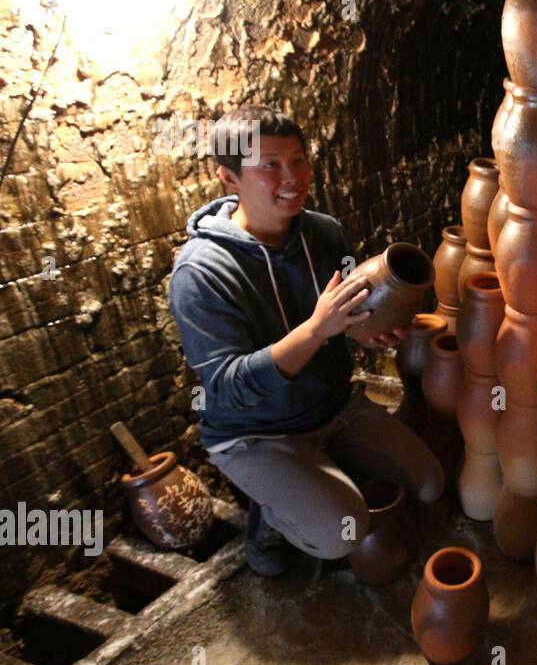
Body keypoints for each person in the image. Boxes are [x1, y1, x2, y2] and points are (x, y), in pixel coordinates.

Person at [167, 106, 443, 576]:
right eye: (270, 166)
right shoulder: (200, 272)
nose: (291, 177)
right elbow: (229, 386)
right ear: (229, 179)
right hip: (255, 433)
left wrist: (374, 334)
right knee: (343, 535)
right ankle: (269, 515)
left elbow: (349, 323)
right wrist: (315, 329)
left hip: (333, 408)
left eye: (298, 161)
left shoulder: (323, 232)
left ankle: (319, 471)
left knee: (430, 485)